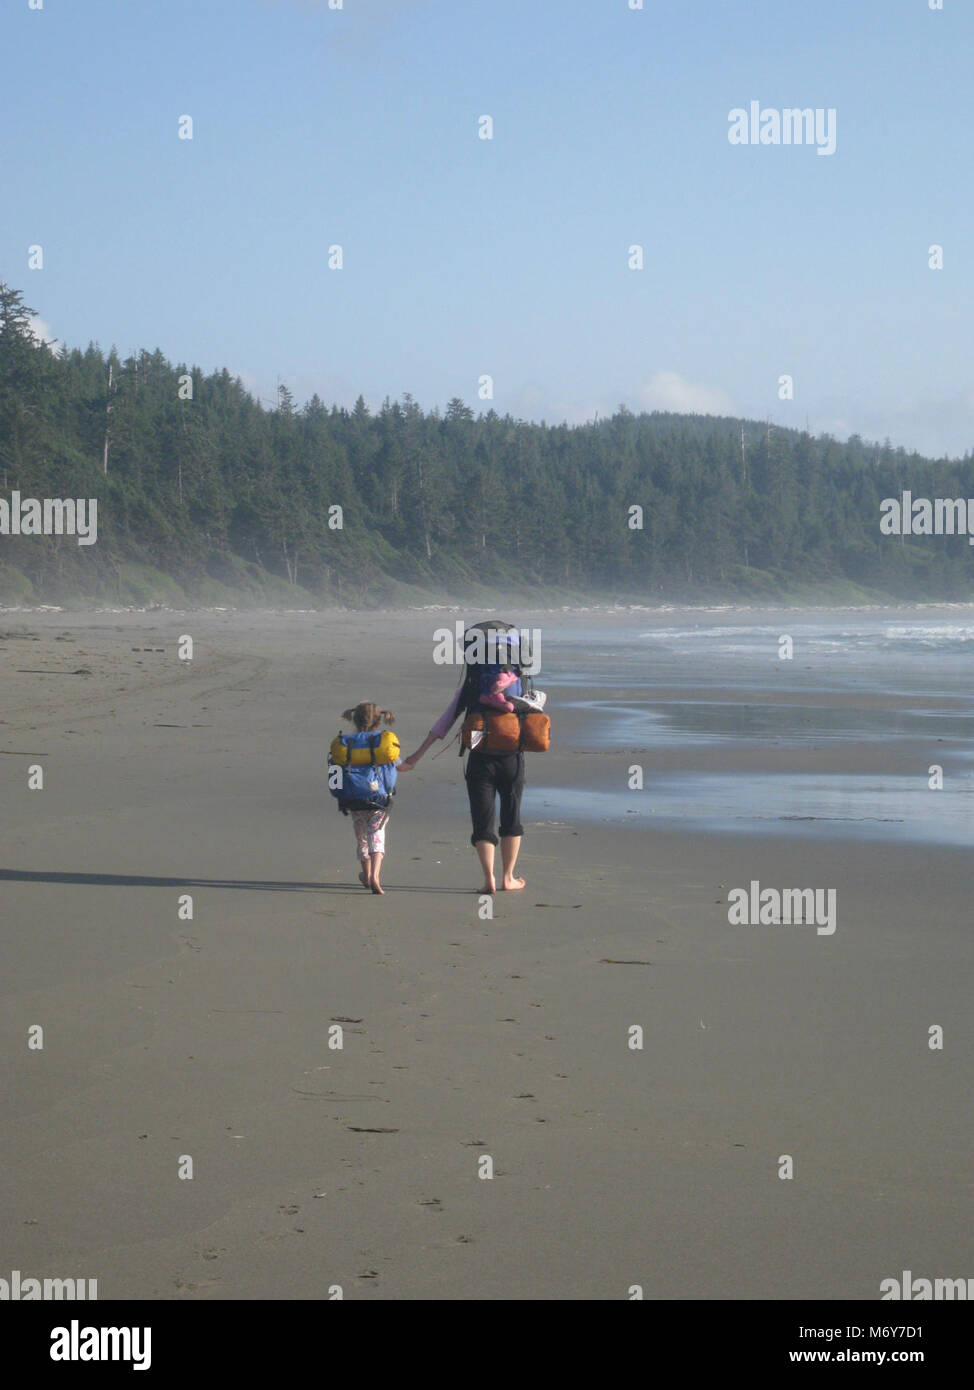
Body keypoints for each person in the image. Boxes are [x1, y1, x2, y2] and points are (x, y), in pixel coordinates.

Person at [400, 622, 527, 894]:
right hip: (511, 758)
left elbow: (444, 723)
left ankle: (488, 879)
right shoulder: (520, 682)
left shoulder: (472, 686)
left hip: (480, 756)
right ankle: (508, 877)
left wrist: (416, 756)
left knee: (482, 818)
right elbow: (533, 717)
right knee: (511, 816)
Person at [339, 702, 397, 896]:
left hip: (355, 799)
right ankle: (375, 876)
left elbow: (335, 770)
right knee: (376, 834)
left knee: (362, 837)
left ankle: (366, 873)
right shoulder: (383, 743)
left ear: (354, 719)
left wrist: (341, 796)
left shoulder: (347, 742)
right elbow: (398, 767)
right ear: (379, 721)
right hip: (379, 799)